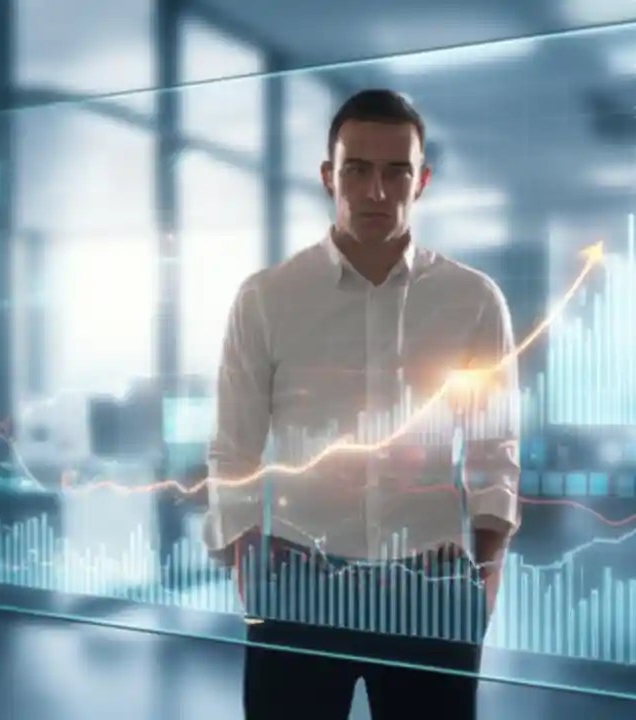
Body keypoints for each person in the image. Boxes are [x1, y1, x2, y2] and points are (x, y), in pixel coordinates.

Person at [202, 88, 522, 719]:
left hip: (430, 587)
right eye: (357, 169)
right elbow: (233, 447)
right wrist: (247, 565)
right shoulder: (266, 298)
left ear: (421, 180)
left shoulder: (475, 300)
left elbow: (494, 450)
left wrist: (484, 578)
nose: (376, 191)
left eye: (396, 170)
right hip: (299, 586)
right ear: (328, 176)